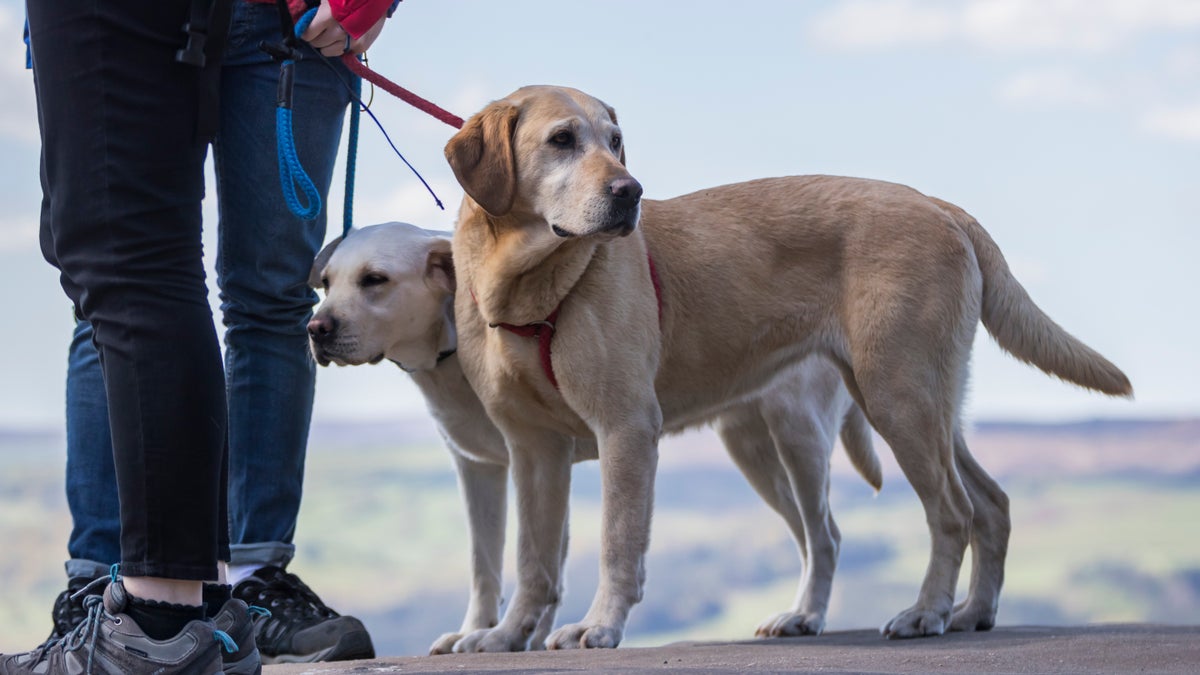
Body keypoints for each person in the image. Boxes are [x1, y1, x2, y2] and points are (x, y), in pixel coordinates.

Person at [5, 0, 395, 672]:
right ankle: (106, 583)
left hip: (290, 20)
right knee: (118, 290)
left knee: (266, 294)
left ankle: (241, 586)